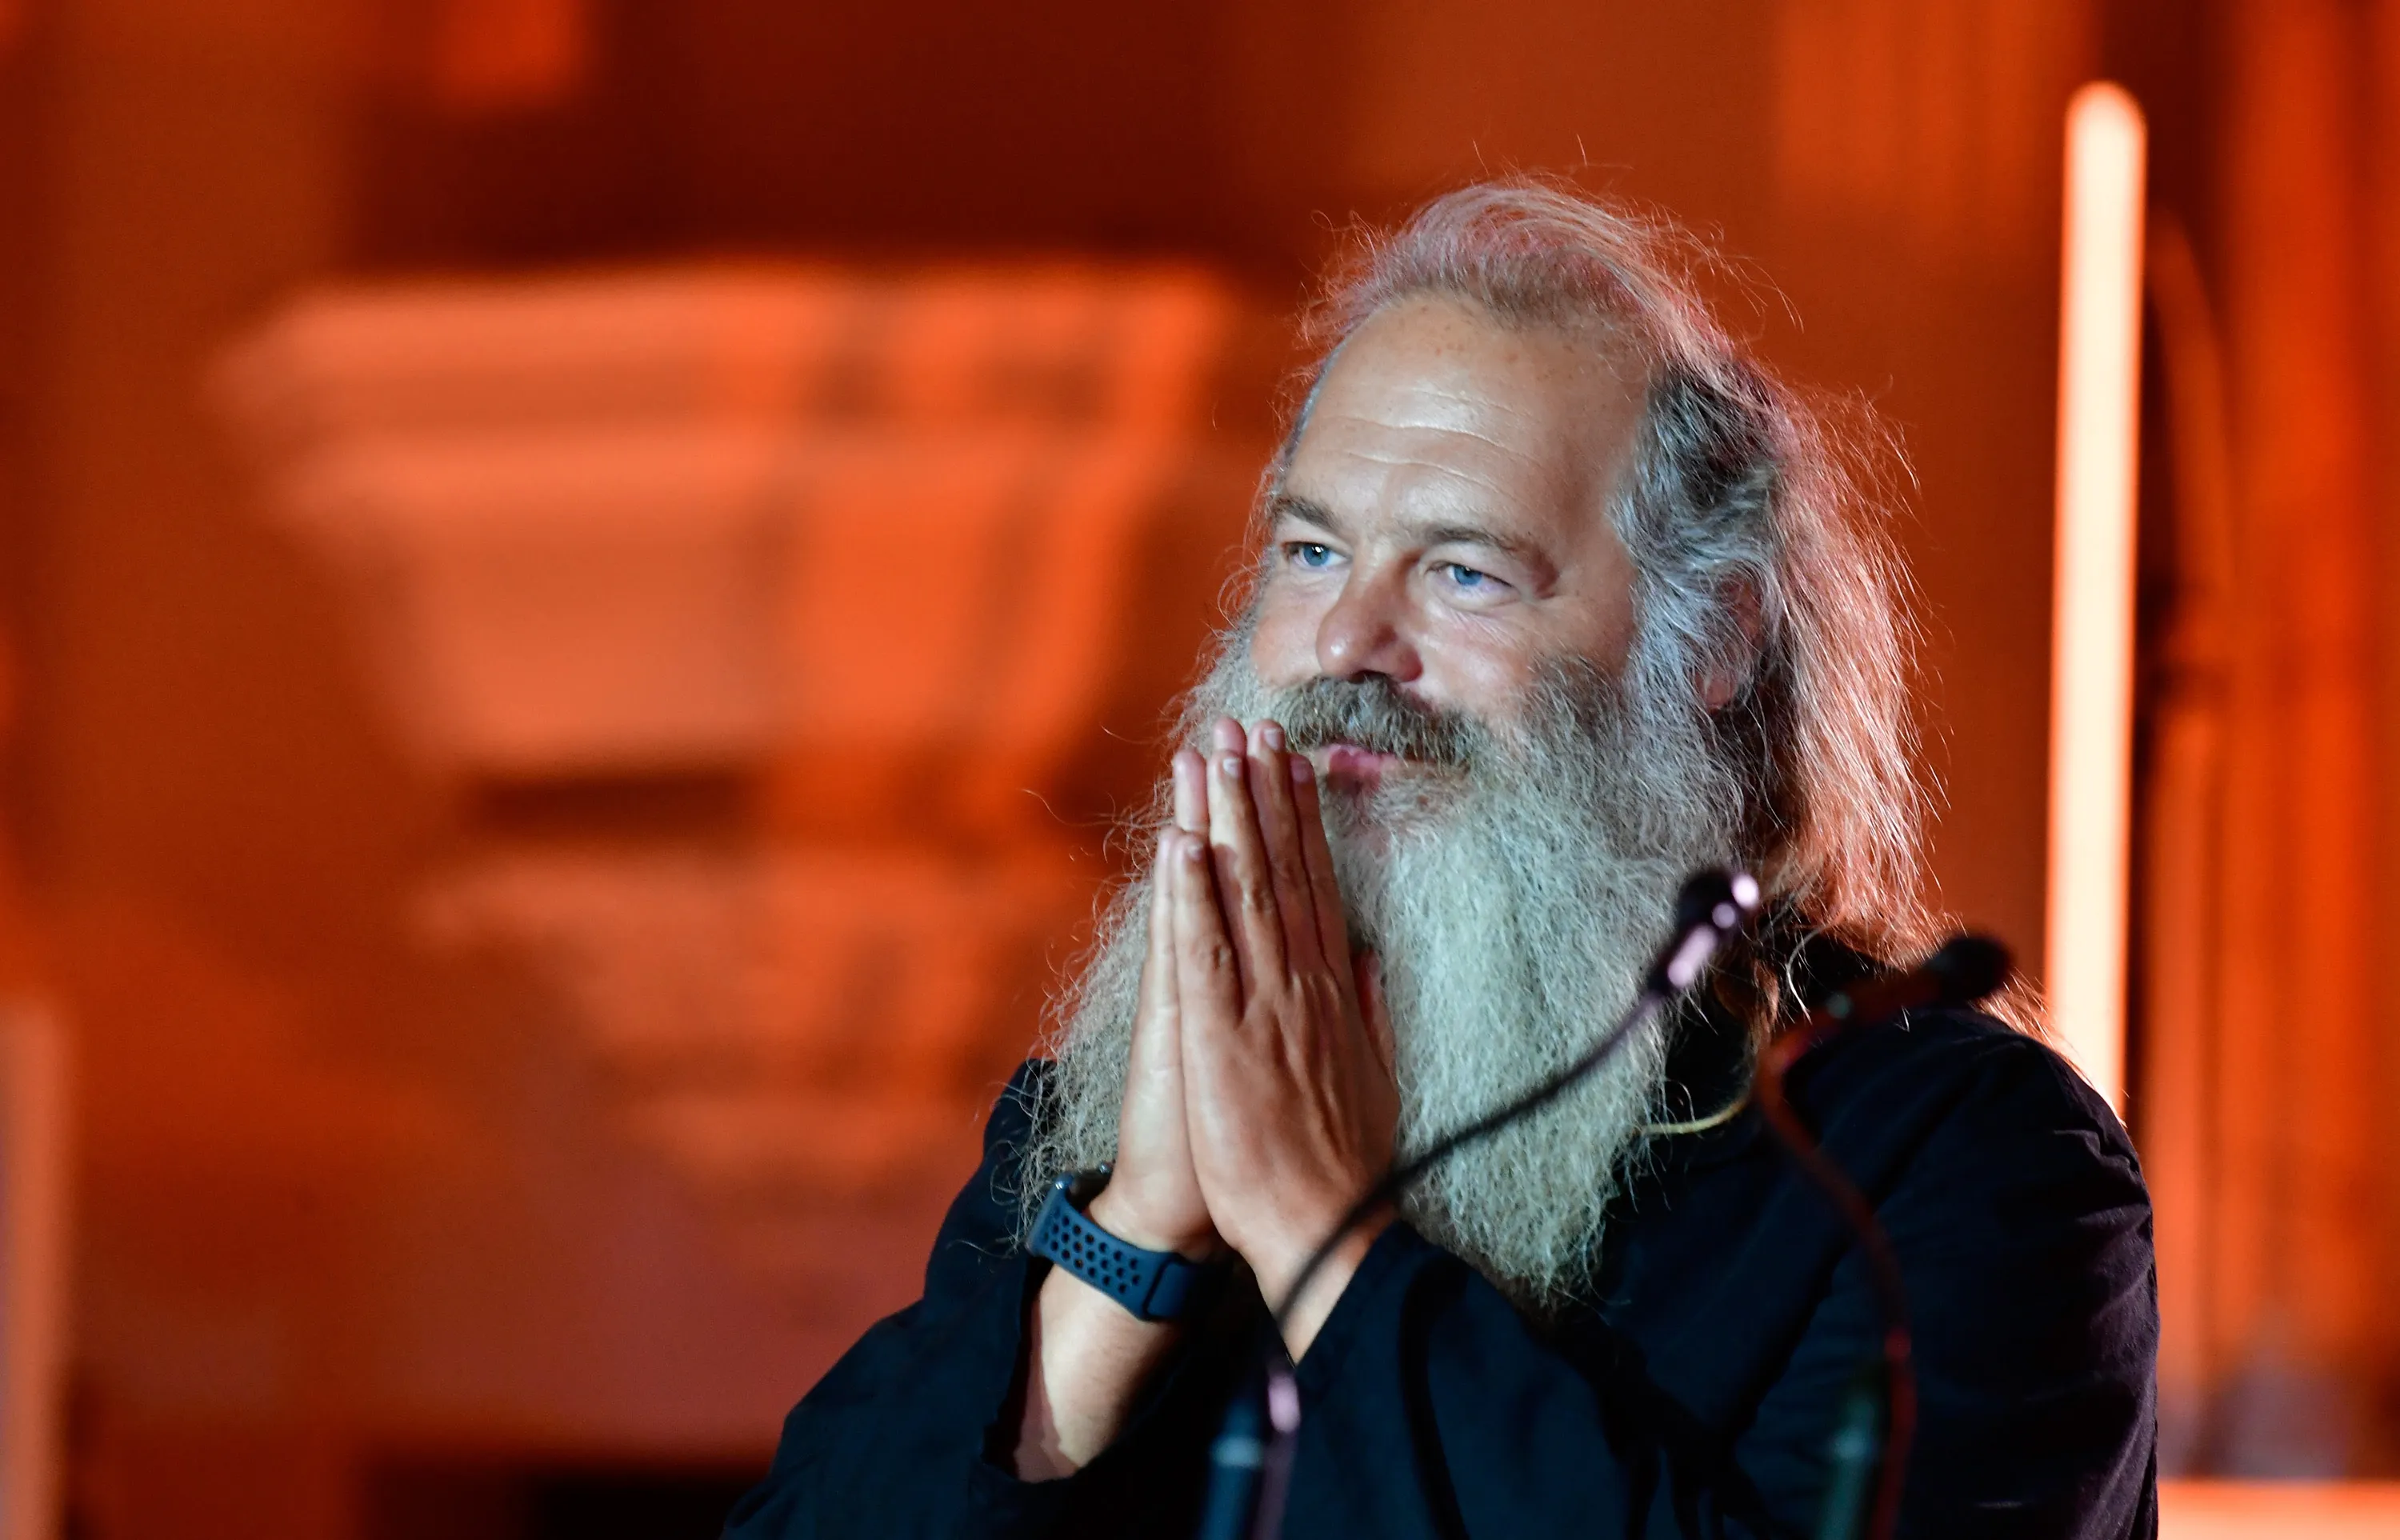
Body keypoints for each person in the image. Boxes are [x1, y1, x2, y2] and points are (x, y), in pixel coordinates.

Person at [724, 182, 2158, 1538]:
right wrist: (1134, 1242)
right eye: (1310, 554)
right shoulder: (1124, 1119)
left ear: (1711, 640)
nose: (1347, 645)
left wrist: (1323, 1238)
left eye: (1465, 573)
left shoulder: (1956, 1175)